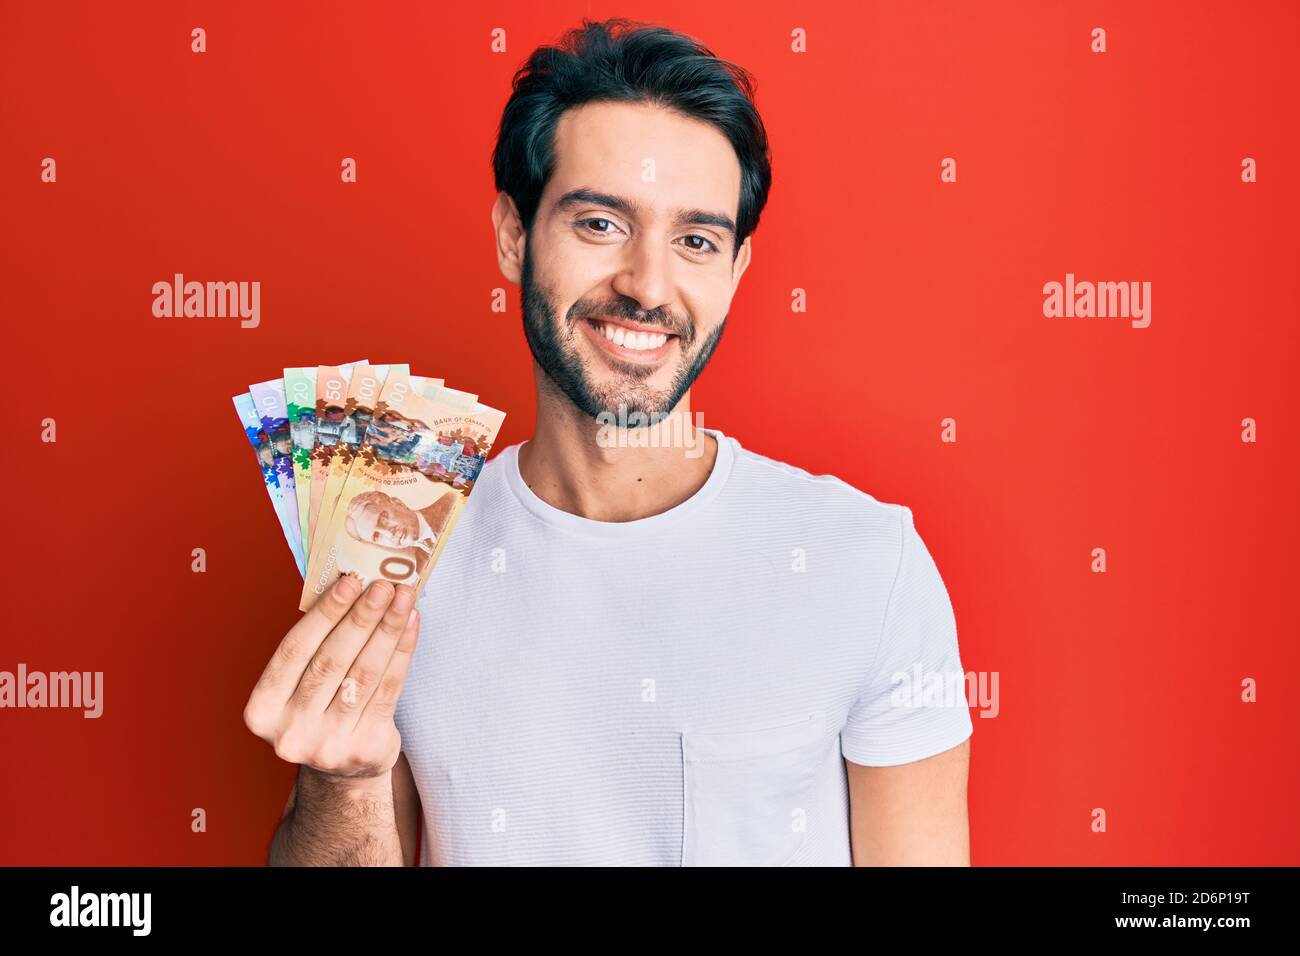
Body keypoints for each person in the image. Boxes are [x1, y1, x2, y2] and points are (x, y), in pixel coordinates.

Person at [243, 17, 973, 866]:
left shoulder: (866, 563)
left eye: (696, 240)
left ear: (735, 271)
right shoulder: (404, 547)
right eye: (600, 224)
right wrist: (344, 781)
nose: (647, 285)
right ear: (514, 236)